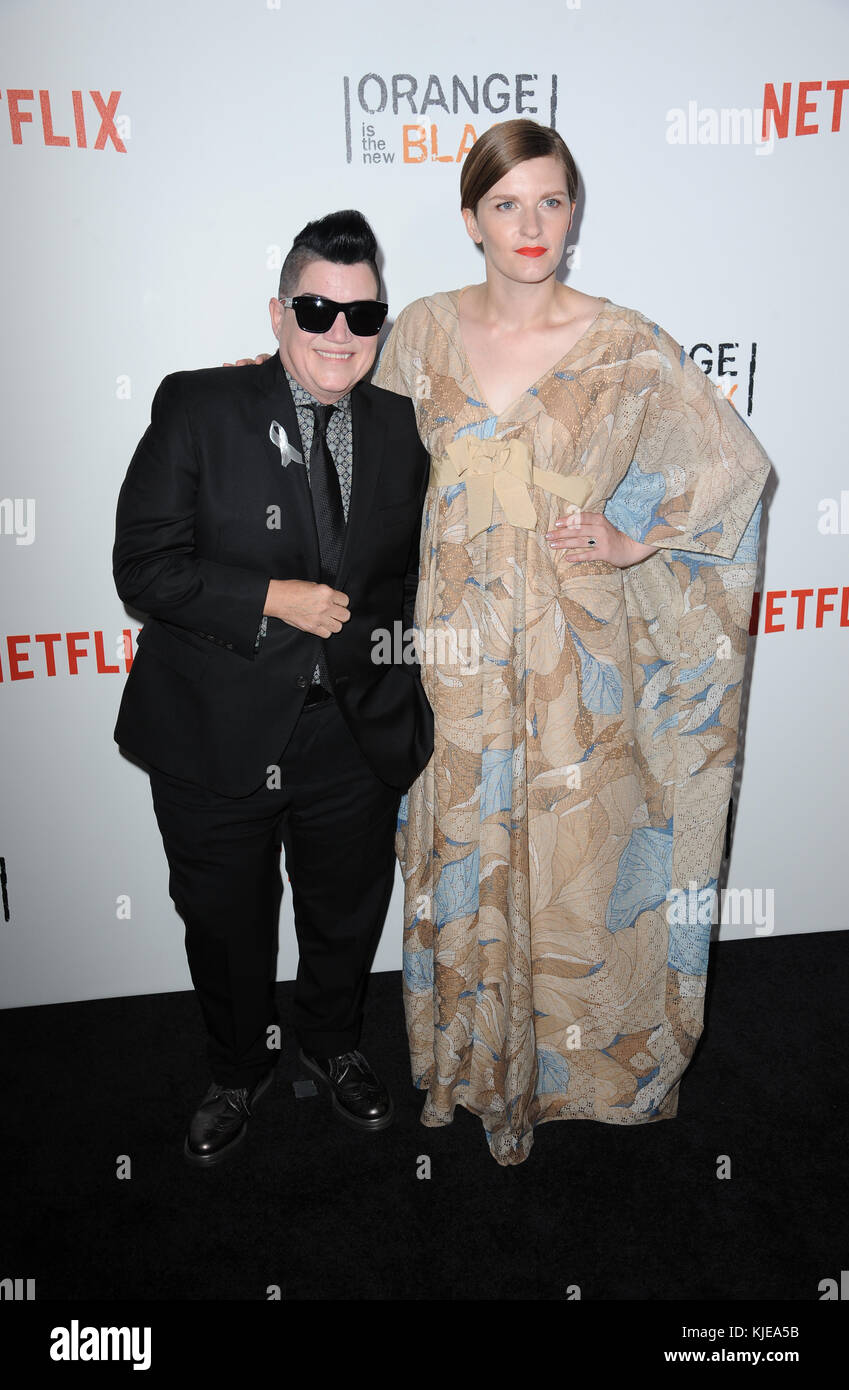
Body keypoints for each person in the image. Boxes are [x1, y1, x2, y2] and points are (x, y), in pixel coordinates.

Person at [371, 119, 771, 1166]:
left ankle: (580, 1072)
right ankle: (470, 1065)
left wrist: (638, 539)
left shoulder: (626, 340)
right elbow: (358, 465)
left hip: (574, 651)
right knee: (463, 845)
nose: (532, 224)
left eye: (551, 200)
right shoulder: (417, 332)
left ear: (575, 209)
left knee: (576, 860)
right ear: (471, 220)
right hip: (454, 649)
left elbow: (729, 469)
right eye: (507, 204)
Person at [113, 210, 432, 1166]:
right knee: (225, 924)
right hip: (215, 730)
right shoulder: (199, 406)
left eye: (362, 315)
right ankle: (234, 1068)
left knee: (343, 914)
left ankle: (333, 1046)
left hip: (351, 734)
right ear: (279, 312)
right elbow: (146, 569)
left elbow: (418, 578)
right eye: (316, 309)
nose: (340, 334)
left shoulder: (406, 427)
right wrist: (270, 599)